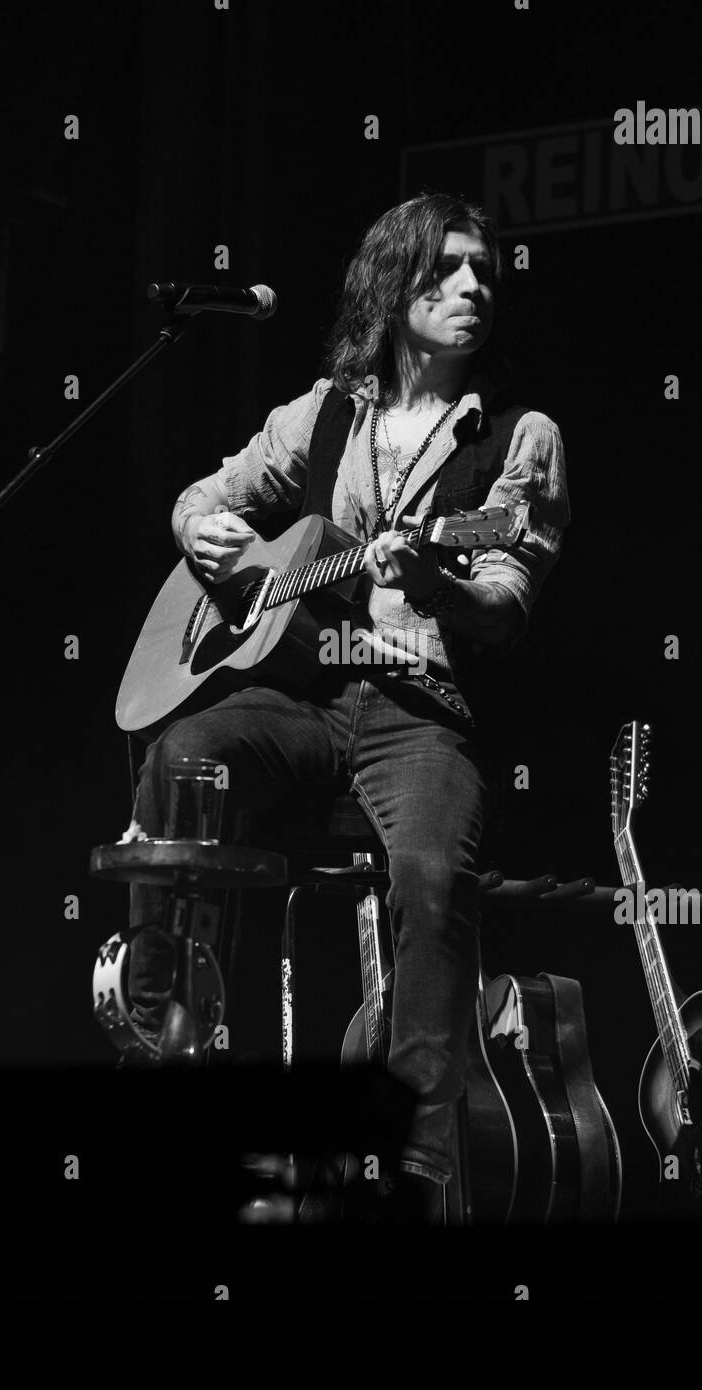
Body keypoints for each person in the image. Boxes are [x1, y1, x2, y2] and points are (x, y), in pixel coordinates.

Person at [125, 190, 569, 1219]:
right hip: (304, 699)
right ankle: (162, 1042)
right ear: (392, 281)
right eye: (447, 268)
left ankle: (410, 1158)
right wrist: (205, 535)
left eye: (485, 274)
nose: (472, 287)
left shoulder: (517, 436)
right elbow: (207, 494)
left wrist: (438, 579)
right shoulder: (323, 411)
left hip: (420, 711)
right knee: (180, 751)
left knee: (429, 875)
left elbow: (505, 603)